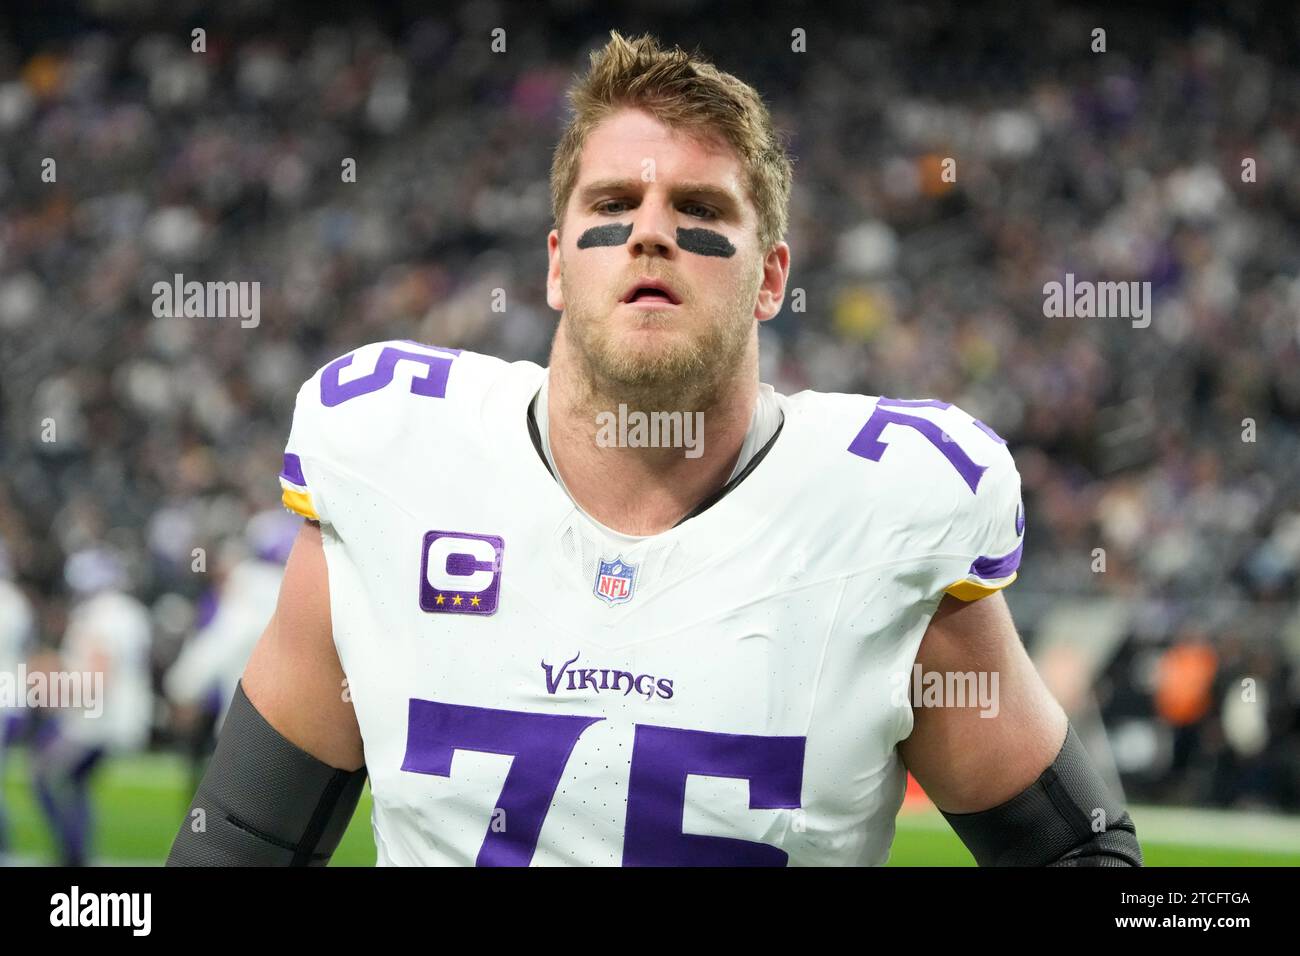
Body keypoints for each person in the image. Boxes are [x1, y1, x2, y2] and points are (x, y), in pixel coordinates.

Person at [168, 31, 1141, 867]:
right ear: (555, 264)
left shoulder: (885, 515)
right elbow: (237, 846)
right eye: (610, 205)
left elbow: (1083, 856)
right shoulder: (393, 452)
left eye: (701, 210)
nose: (649, 233)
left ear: (770, 278)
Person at [34, 547, 152, 866]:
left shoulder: (96, 616)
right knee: (73, 781)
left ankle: (73, 856)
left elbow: (99, 678)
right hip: (130, 715)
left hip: (99, 720)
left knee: (46, 775)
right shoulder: (131, 612)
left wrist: (55, 690)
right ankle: (76, 852)